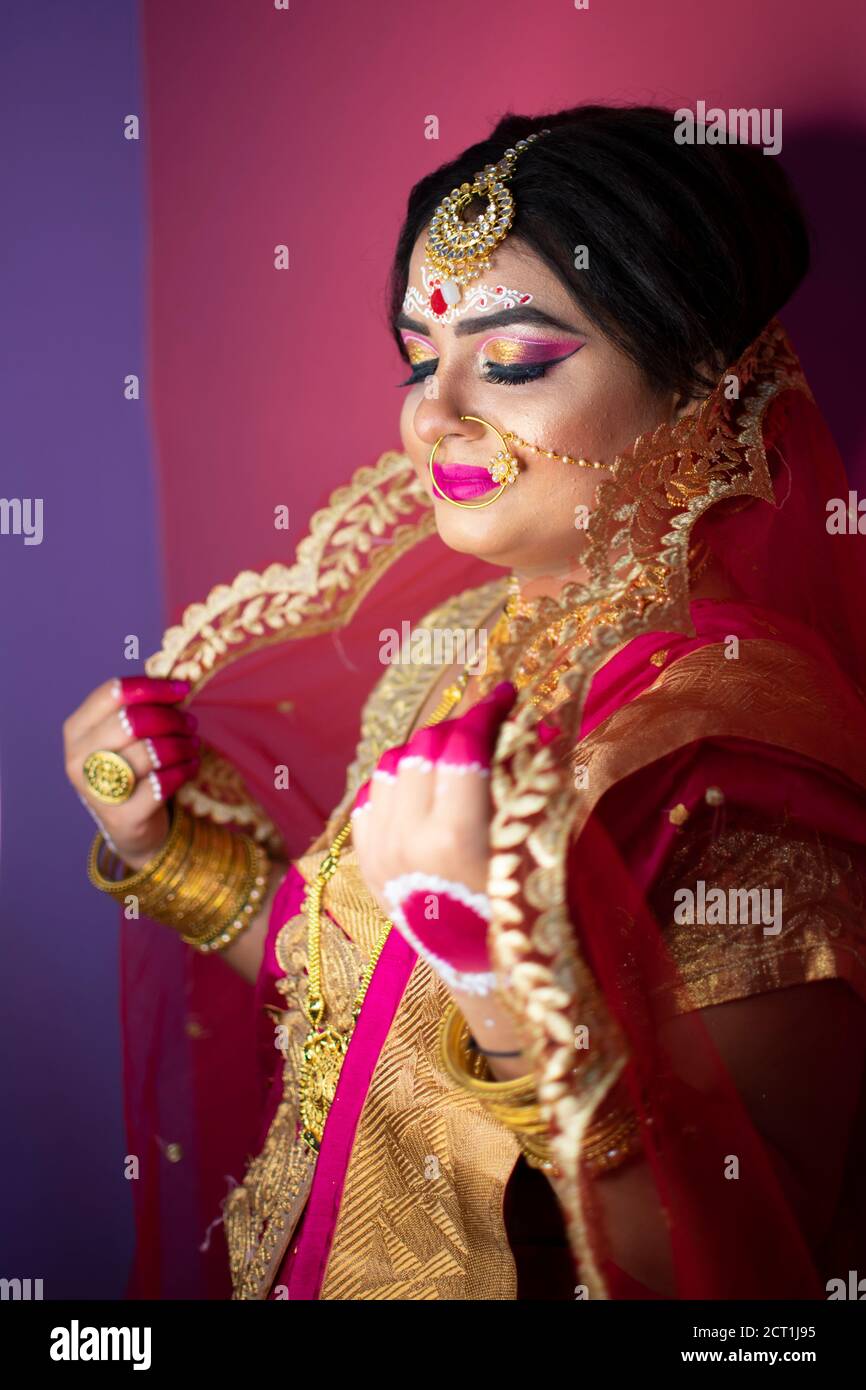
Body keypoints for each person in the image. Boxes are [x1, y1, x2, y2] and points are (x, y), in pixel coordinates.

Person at [64, 105, 866, 1301]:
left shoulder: (728, 748)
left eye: (513, 361)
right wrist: (164, 849)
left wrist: (504, 985)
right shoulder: (468, 643)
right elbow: (349, 1013)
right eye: (415, 358)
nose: (431, 415)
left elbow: (755, 1281)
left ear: (706, 384)